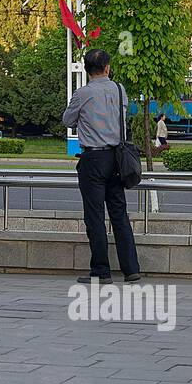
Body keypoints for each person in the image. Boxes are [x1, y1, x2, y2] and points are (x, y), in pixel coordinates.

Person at [60, 49, 141, 284]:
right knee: (119, 213)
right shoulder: (119, 89)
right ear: (107, 67)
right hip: (117, 158)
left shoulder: (82, 93)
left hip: (93, 159)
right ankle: (131, 269)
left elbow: (67, 120)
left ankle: (101, 271)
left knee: (95, 216)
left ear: (86, 69)